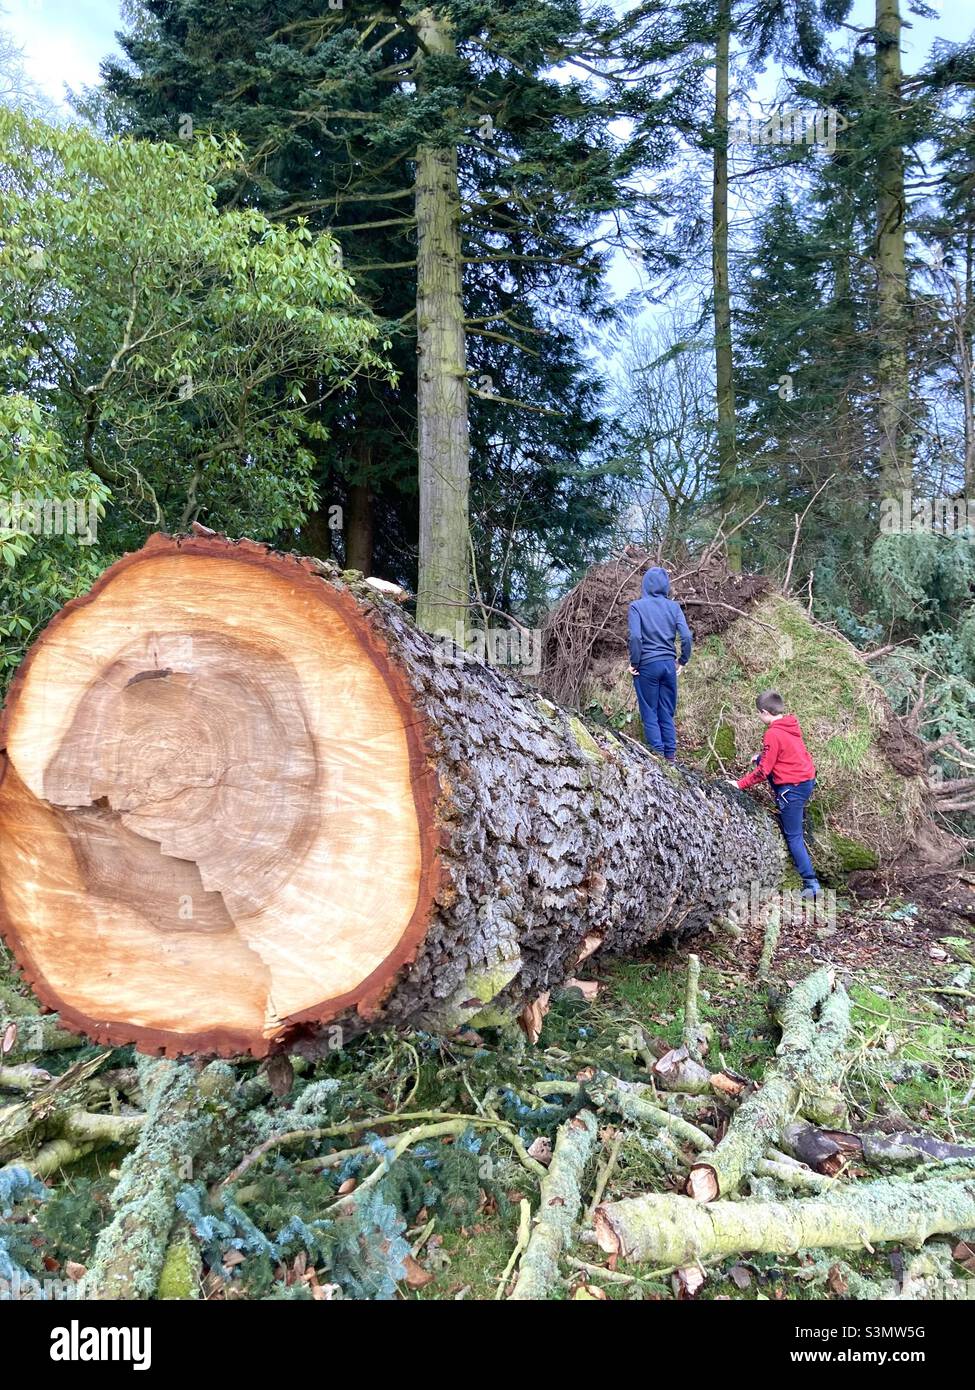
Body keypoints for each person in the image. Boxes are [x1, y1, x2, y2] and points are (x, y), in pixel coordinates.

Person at [732, 690, 821, 899]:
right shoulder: (790, 725)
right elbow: (784, 753)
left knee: (793, 836)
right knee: (793, 820)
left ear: (764, 712)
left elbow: (764, 772)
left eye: (758, 714)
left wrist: (739, 784)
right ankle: (795, 813)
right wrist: (761, 757)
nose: (758, 717)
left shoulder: (772, 733)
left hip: (792, 788)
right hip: (806, 780)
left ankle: (811, 883)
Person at [627, 566, 693, 763]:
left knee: (650, 710)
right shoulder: (674, 607)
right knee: (666, 711)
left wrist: (634, 662)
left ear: (645, 584)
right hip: (668, 665)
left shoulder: (636, 607)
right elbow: (687, 637)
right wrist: (682, 660)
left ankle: (657, 757)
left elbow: (636, 638)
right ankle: (671, 758)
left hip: (646, 664)